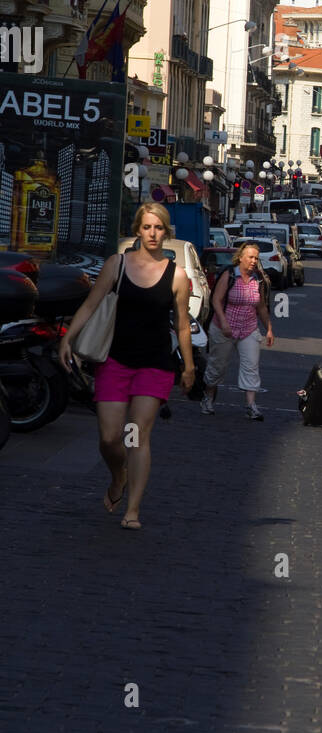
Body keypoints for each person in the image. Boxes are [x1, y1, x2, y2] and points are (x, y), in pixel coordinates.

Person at [58, 203, 195, 531]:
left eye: (158, 227)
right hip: (115, 360)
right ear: (137, 229)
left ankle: (132, 509)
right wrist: (68, 340)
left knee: (137, 436)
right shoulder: (116, 265)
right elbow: (91, 304)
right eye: (147, 227)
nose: (152, 233)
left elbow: (183, 325)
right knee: (108, 438)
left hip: (155, 364)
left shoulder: (177, 276)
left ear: (166, 231)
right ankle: (118, 474)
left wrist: (188, 367)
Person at [201, 242, 274, 420]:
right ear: (240, 258)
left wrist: (269, 329)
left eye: (256, 258)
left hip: (248, 328)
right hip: (223, 328)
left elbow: (262, 307)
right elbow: (216, 300)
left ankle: (251, 406)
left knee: (251, 366)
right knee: (217, 367)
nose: (253, 261)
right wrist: (224, 323)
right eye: (250, 257)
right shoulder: (229, 274)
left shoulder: (258, 279)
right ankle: (208, 398)